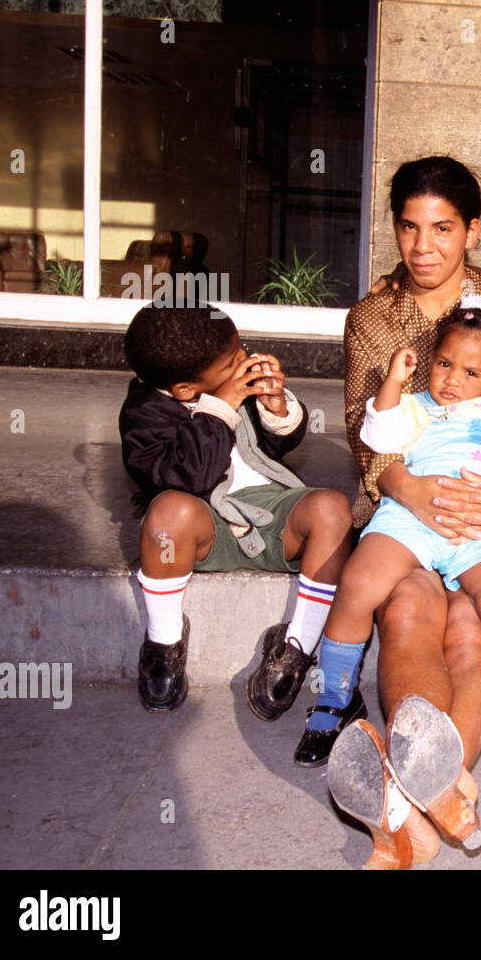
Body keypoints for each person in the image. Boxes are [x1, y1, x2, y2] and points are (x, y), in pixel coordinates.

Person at [324, 155, 481, 868]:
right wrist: (417, 495)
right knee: (411, 610)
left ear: (471, 231)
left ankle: (407, 799)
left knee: (474, 626)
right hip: (405, 512)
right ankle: (444, 793)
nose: (424, 247)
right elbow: (369, 434)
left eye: (443, 228)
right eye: (410, 228)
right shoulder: (372, 317)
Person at [315, 308, 481, 767]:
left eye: (471, 372)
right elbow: (378, 433)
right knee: (358, 584)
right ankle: (334, 698)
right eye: (444, 364)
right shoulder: (416, 408)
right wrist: (392, 382)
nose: (452, 379)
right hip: (410, 520)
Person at [119, 302, 353, 719]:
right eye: (233, 360)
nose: (244, 360)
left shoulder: (228, 384)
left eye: (240, 347)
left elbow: (276, 446)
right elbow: (192, 475)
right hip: (201, 527)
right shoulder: (143, 415)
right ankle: (163, 640)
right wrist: (220, 407)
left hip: (270, 514)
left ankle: (297, 645)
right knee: (166, 518)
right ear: (186, 390)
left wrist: (275, 407)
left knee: (332, 509)